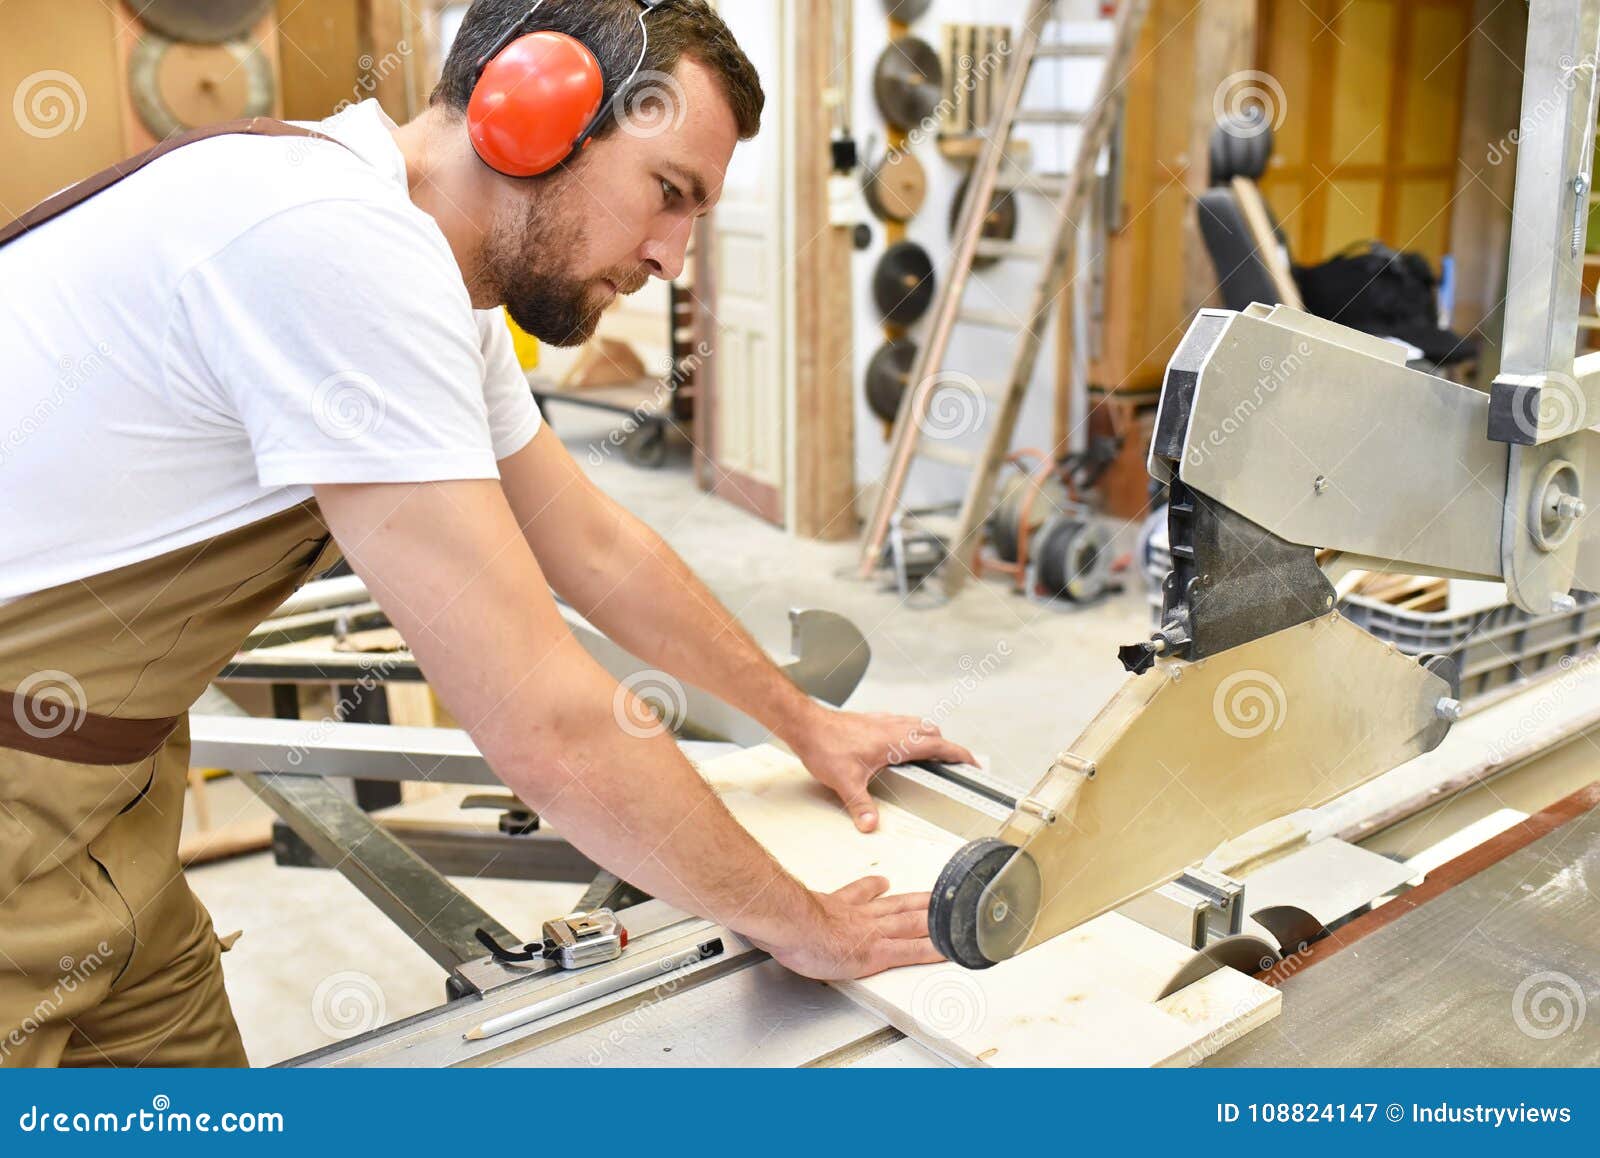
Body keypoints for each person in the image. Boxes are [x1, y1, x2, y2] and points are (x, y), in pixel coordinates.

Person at [0, 0, 975, 1067]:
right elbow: (547, 727)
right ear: (528, 110)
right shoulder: (333, 242)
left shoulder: (417, 264)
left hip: (111, 806)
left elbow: (592, 545)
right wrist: (807, 923)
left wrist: (803, 723)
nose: (671, 258)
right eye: (666, 195)